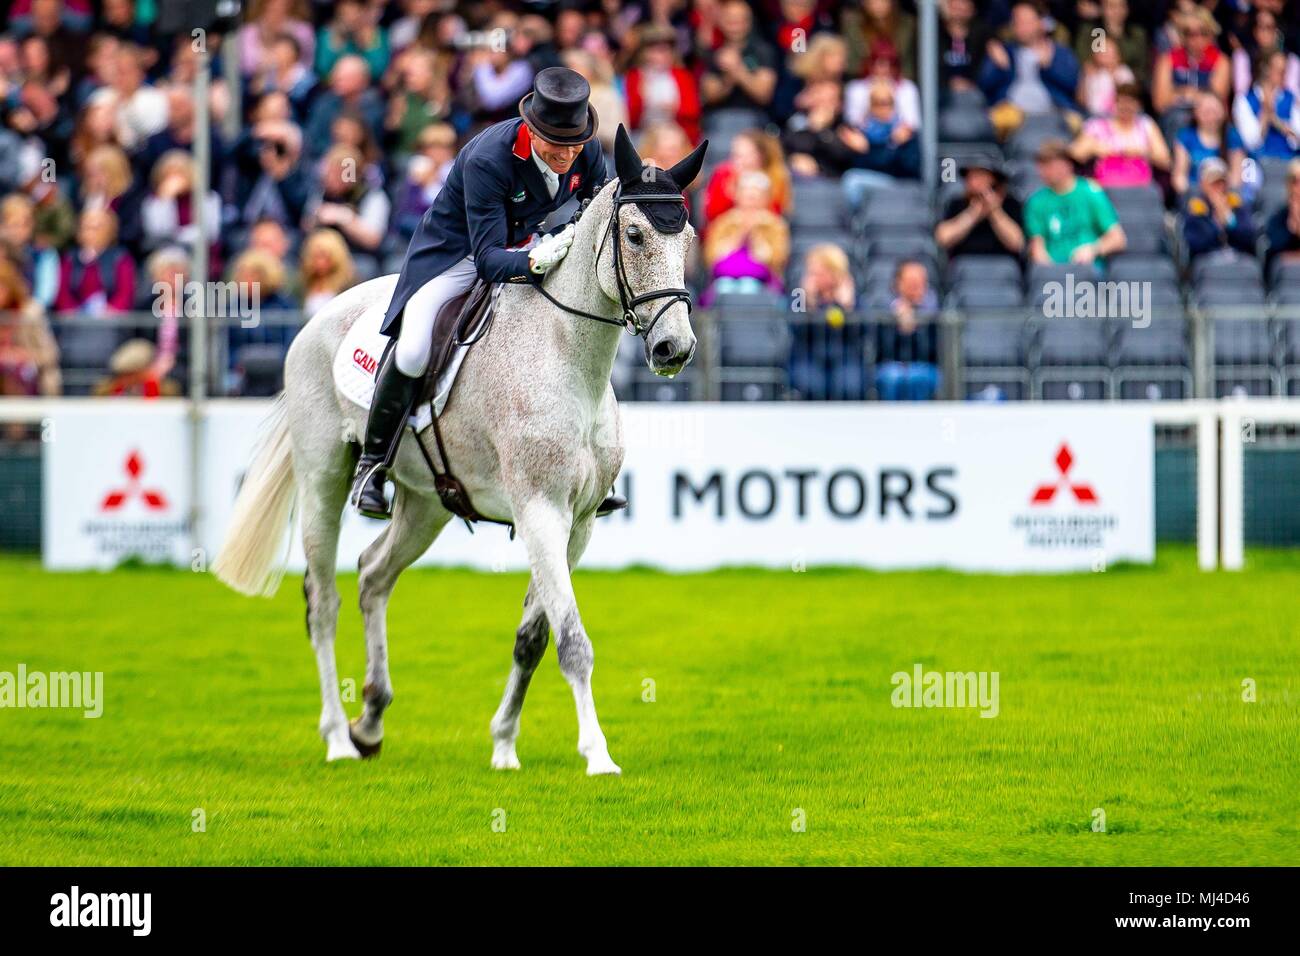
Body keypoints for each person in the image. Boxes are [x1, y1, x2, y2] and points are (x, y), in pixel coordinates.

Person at [350, 67, 623, 521]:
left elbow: (596, 213)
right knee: (416, 348)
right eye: (557, 144)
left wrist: (566, 241)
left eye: (575, 144)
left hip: (529, 244)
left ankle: (595, 470)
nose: (568, 154)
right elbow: (489, 260)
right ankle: (372, 464)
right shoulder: (488, 159)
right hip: (456, 257)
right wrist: (539, 260)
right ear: (532, 131)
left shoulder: (585, 149)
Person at [979, 1, 1080, 139]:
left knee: (1075, 122)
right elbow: (984, 85)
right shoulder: (1004, 51)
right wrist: (1000, 67)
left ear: (1041, 23)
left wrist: (1049, 67)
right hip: (1011, 112)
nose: (1021, 27)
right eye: (1017, 22)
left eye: (1026, 21)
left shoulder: (1060, 52)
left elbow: (1071, 85)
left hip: (1054, 110)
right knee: (996, 119)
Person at [1023, 139, 1126, 265]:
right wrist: (1050, 271)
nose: (1044, 172)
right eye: (1041, 166)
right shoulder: (1036, 201)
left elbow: (1118, 239)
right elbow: (1037, 245)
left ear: (1068, 165)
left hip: (1088, 270)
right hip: (1052, 270)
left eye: (1050, 165)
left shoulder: (1090, 193)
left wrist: (1092, 250)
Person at [786, 243, 866, 400]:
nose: (813, 277)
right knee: (810, 385)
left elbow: (862, 331)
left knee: (849, 386)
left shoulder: (852, 296)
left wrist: (848, 307)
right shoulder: (799, 295)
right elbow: (795, 328)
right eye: (811, 272)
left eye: (819, 273)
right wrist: (810, 303)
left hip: (845, 356)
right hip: (808, 355)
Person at [1070, 82, 1171, 188]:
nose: (1126, 107)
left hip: (1140, 184)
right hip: (1104, 184)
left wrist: (1142, 152)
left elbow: (1164, 159)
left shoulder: (1146, 125)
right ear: (1115, 103)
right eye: (1122, 102)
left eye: (1130, 103)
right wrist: (1095, 148)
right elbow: (1076, 153)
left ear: (1138, 104)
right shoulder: (1097, 125)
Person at [935, 159, 1025, 259]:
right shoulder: (957, 203)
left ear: (994, 179)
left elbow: (1017, 243)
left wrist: (995, 211)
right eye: (970, 176)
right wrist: (972, 214)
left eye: (979, 175)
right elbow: (942, 238)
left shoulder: (1010, 203)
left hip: (1003, 263)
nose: (973, 181)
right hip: (964, 263)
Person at [877, 260, 940, 401]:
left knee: (919, 378)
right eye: (911, 282)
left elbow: (932, 352)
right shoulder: (885, 310)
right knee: (891, 377)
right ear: (898, 284)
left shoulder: (934, 312)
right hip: (892, 366)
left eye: (919, 282)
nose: (916, 287)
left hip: (924, 366)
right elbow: (883, 350)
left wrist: (914, 329)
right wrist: (900, 328)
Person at [1152, 7, 1230, 116]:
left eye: (1203, 33)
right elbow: (1160, 103)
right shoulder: (1168, 59)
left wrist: (1182, 94)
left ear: (1211, 34)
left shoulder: (1221, 60)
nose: (1198, 39)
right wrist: (1195, 95)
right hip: (1175, 117)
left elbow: (1216, 100)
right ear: (1182, 35)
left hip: (1208, 117)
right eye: (1191, 34)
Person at [1172, 91, 1246, 198]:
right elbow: (1179, 177)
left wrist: (1221, 192)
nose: (1210, 116)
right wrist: (1193, 193)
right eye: (1206, 111)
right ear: (1196, 113)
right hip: (1195, 194)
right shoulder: (1185, 136)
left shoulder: (1232, 136)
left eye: (1214, 111)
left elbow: (1236, 175)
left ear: (1223, 112)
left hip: (1225, 192)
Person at [1182, 157, 1256, 260]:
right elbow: (1197, 244)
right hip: (1208, 260)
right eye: (1214, 183)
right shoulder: (1195, 209)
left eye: (1222, 182)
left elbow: (1248, 237)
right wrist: (1217, 225)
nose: (1219, 187)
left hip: (1237, 258)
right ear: (1203, 184)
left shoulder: (1236, 204)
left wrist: (1229, 219)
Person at [1234, 49, 1300, 162]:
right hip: (1257, 163)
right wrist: (1265, 113)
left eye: (1285, 70)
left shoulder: (1292, 99)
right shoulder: (1244, 100)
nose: (1283, 75)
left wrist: (1278, 123)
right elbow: (1251, 142)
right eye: (1279, 70)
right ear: (1265, 69)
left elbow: (1297, 137)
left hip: (1288, 161)